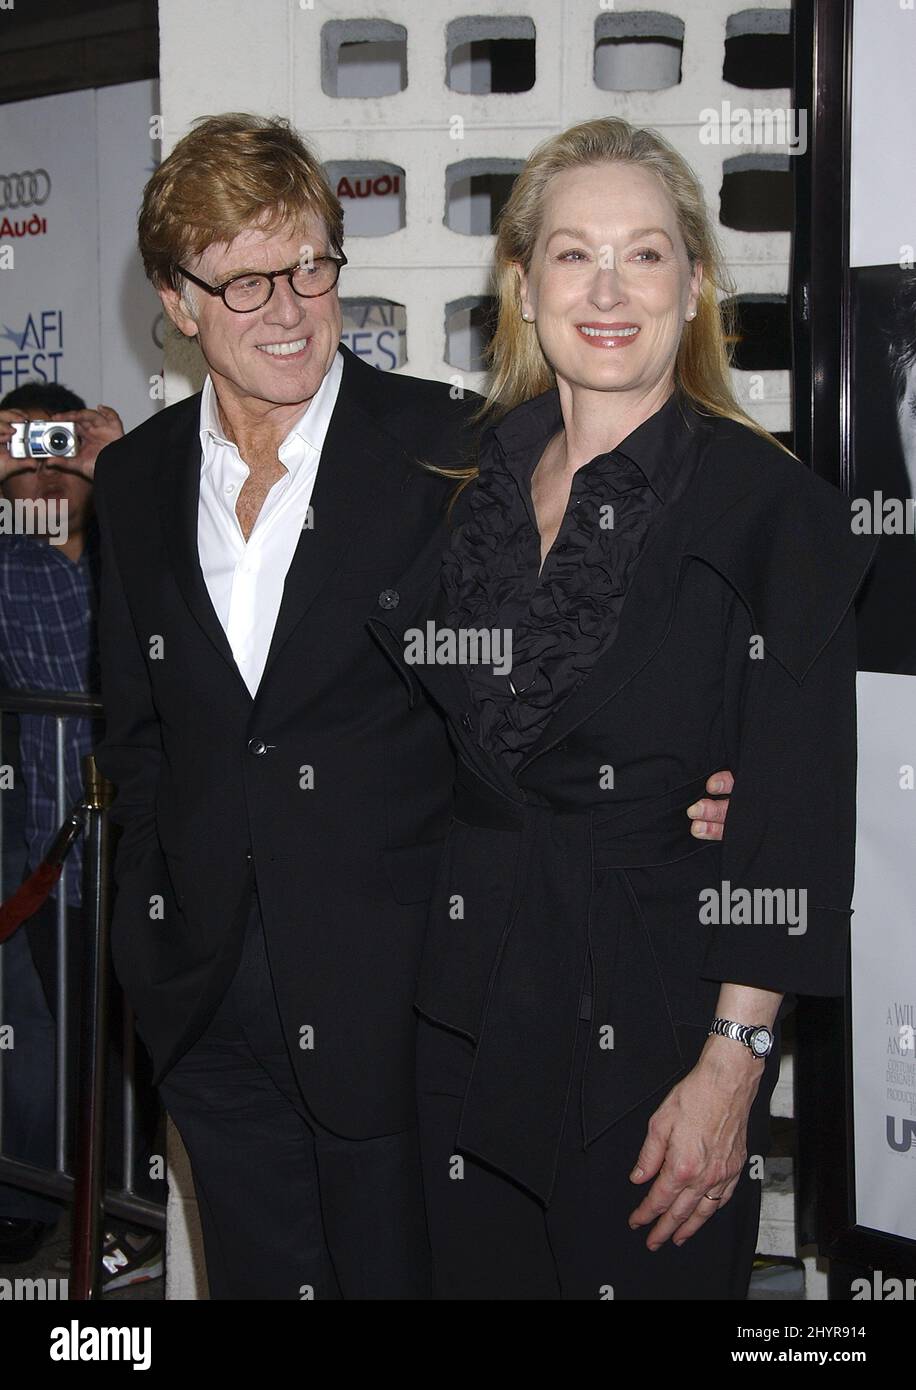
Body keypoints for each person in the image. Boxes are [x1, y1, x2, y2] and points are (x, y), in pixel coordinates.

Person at [92, 113, 734, 1300]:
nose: (289, 311)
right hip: (206, 1005)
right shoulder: (131, 483)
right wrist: (151, 930)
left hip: (406, 1003)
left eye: (311, 269)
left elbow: (573, 685)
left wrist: (693, 783)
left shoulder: (458, 452)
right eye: (244, 285)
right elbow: (138, 738)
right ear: (176, 304)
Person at [369, 116, 878, 1299]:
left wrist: (733, 1067)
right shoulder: (468, 493)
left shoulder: (776, 514)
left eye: (644, 254)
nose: (607, 289)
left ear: (695, 285)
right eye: (571, 254)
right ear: (521, 282)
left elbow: (794, 824)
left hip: (654, 1039)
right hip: (463, 1013)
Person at [0, 383, 163, 1289]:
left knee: (157, 1055)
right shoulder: (11, 565)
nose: (43, 463)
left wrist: (124, 473)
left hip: (153, 862)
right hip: (59, 872)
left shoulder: (136, 541)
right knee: (81, 1065)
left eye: (59, 443)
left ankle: (148, 1220)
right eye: (24, 449)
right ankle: (102, 1222)